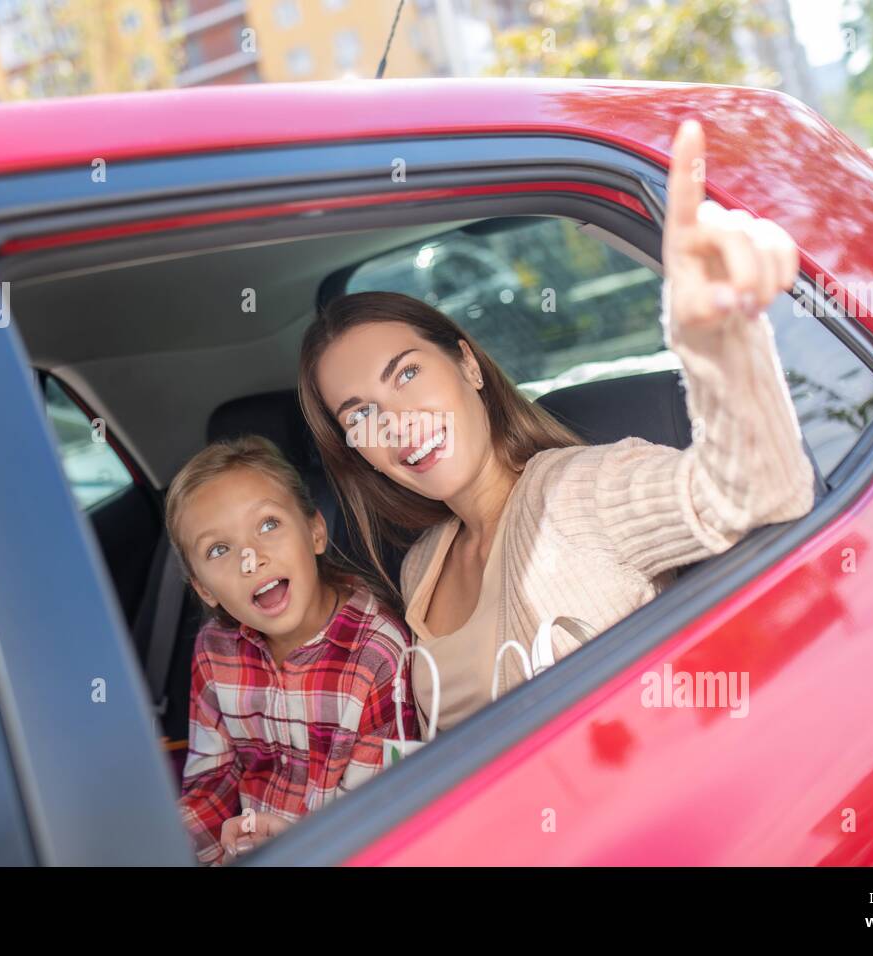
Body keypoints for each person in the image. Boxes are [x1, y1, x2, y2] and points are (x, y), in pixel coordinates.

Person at [296, 120, 815, 737]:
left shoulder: (577, 495)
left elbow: (758, 491)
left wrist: (715, 339)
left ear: (467, 364)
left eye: (407, 374)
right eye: (361, 413)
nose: (399, 423)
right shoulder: (422, 566)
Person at [167, 435, 417, 863]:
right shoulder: (215, 649)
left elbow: (375, 816)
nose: (252, 558)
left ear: (315, 531)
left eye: (268, 525)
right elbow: (214, 775)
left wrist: (292, 846)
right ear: (204, 589)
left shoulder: (378, 655)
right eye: (219, 549)